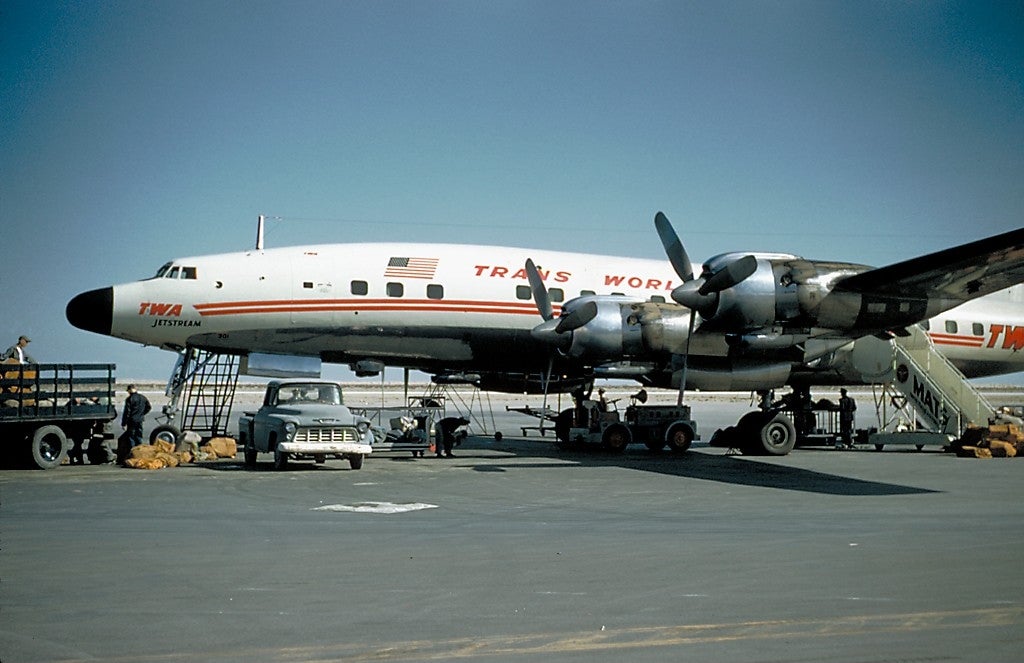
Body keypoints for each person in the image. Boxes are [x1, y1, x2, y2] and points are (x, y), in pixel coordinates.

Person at [120, 384, 152, 461]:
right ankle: (140, 453)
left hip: (132, 420)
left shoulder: (129, 399)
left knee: (131, 437)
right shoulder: (143, 398)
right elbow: (149, 407)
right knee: (139, 436)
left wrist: (124, 423)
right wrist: (142, 414)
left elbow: (127, 412)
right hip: (140, 420)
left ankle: (133, 454)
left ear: (129, 390)